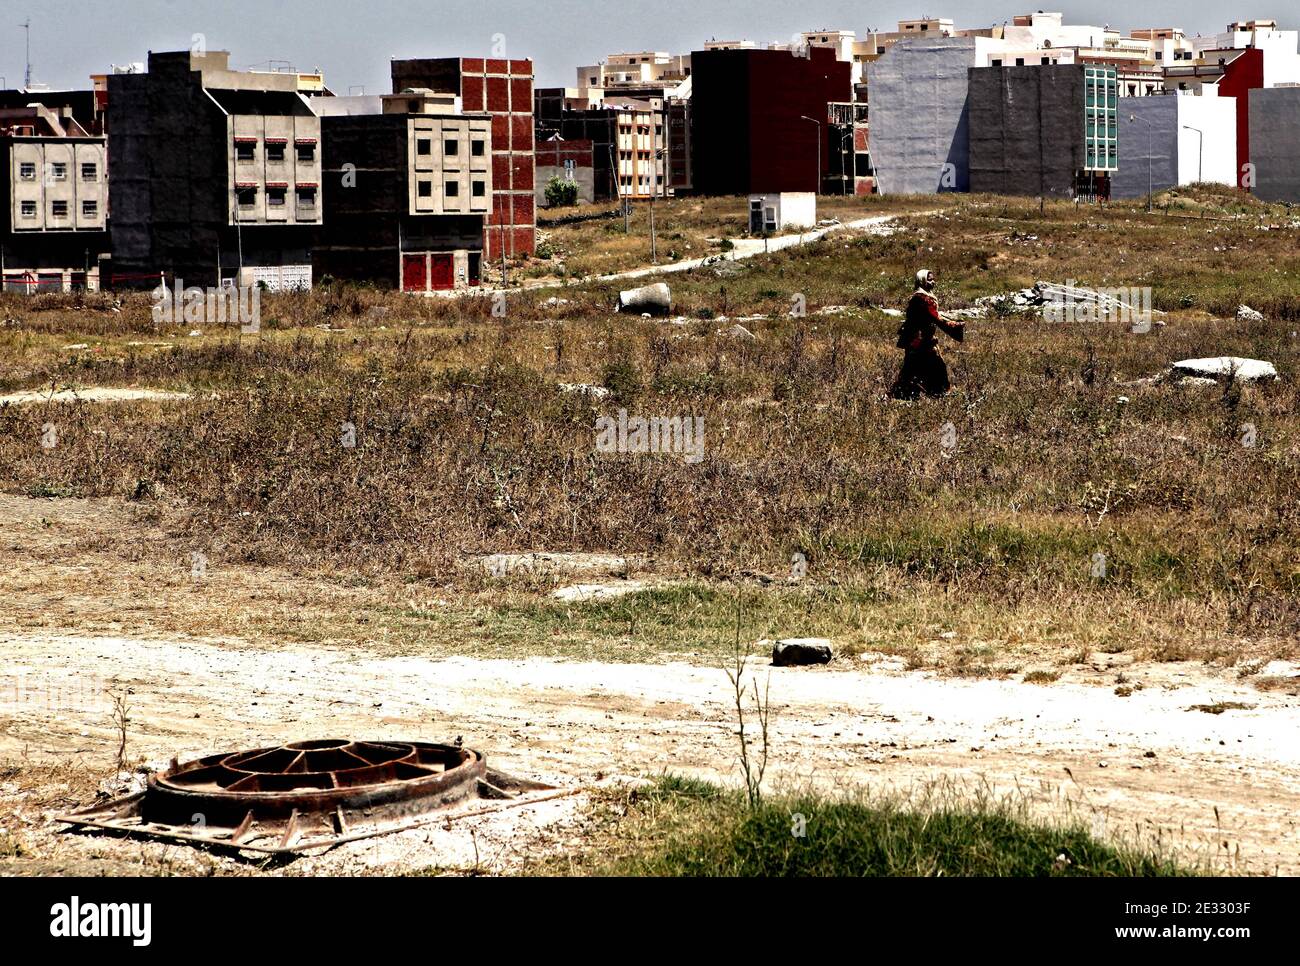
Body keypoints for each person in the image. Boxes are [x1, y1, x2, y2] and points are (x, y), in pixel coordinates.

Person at [889, 268, 965, 400]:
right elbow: (935, 317)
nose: (933, 282)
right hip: (920, 340)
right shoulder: (921, 298)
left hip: (919, 339)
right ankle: (936, 392)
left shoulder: (921, 297)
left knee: (915, 367)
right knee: (934, 366)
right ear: (922, 280)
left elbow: (935, 316)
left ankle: (908, 393)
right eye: (930, 279)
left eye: (933, 279)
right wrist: (953, 325)